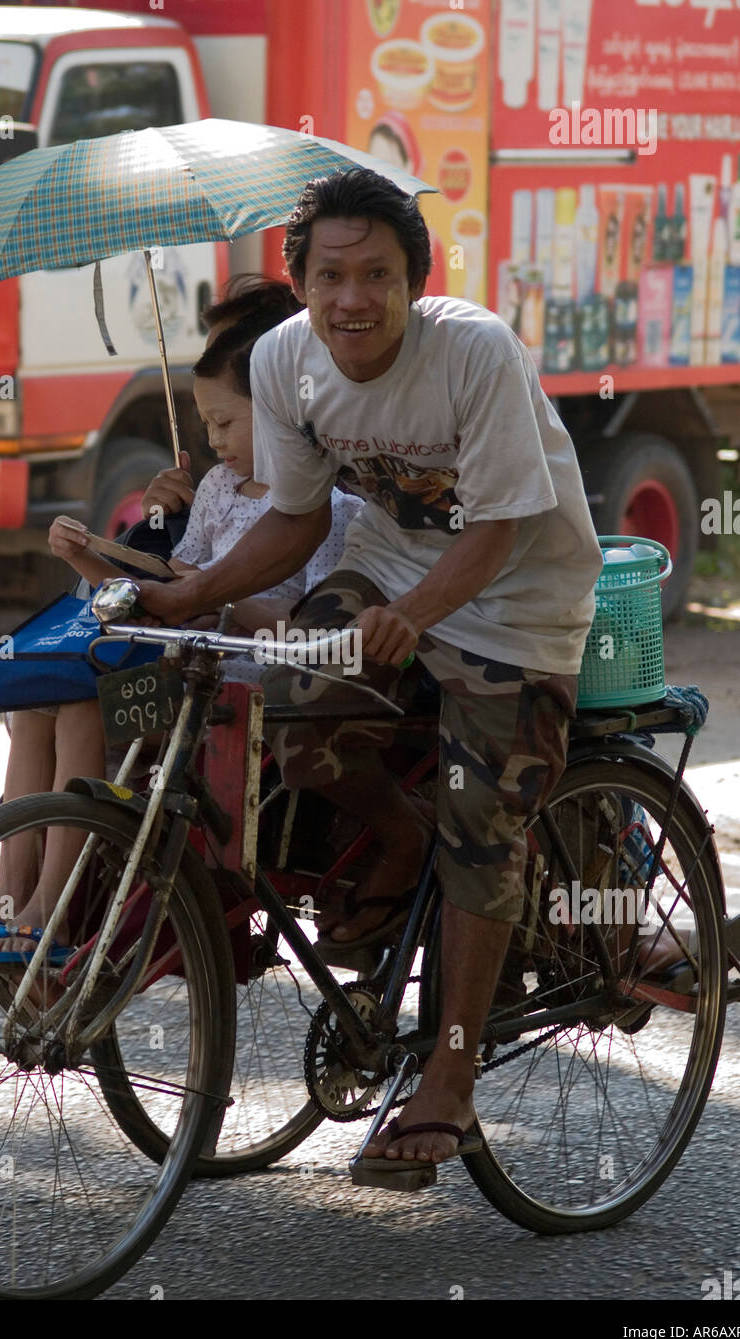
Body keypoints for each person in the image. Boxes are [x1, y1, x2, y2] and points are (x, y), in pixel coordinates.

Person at [135, 167, 605, 1178]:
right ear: (298, 280)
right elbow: (297, 518)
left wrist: (414, 617)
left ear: (412, 280)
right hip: (386, 570)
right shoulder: (282, 359)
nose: (354, 296)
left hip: (517, 600)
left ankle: (449, 1078)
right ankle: (399, 835)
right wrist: (193, 590)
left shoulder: (471, 350)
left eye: (377, 275)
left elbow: (500, 526)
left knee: (483, 827)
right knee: (288, 714)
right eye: (332, 274)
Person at [0, 277, 362, 965]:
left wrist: (215, 594)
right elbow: (164, 581)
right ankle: (10, 896)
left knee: (80, 710)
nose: (213, 439)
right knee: (40, 701)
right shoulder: (220, 489)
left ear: (282, 408)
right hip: (178, 660)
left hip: (238, 691)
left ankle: (53, 911)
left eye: (225, 422)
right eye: (207, 423)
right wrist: (101, 554)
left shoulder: (335, 509)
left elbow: (304, 627)